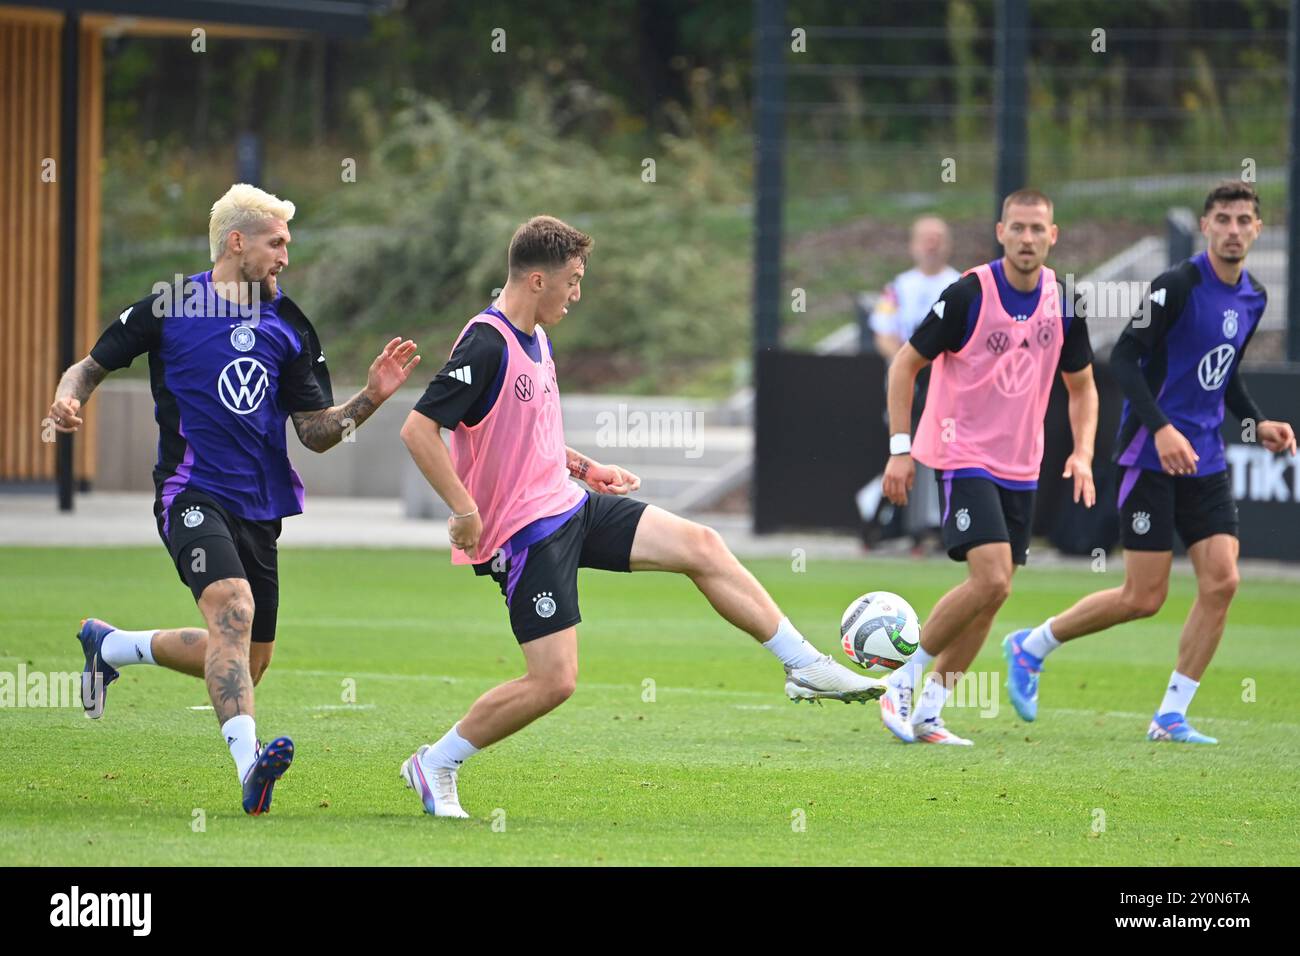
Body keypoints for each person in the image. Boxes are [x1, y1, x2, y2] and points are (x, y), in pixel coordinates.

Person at [398, 215, 884, 817]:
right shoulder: (487, 341)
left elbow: (519, 430)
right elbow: (419, 429)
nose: (578, 294)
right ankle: (435, 763)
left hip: (568, 504)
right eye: (573, 281)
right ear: (538, 280)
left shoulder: (536, 337)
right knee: (554, 682)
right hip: (524, 533)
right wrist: (464, 510)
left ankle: (803, 664)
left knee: (701, 544)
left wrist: (582, 467)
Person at [48, 183, 421, 813]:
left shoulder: (289, 324)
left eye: (288, 244)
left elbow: (317, 434)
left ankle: (112, 647)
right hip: (189, 492)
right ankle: (251, 768)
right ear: (237, 242)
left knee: (247, 656)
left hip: (260, 506)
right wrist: (66, 397)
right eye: (276, 243)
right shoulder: (169, 305)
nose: (285, 256)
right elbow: (90, 364)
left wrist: (373, 398)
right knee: (232, 606)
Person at [1003, 181, 1296, 744]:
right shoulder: (1179, 285)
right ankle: (1032, 644)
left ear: (1257, 230)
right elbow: (1126, 359)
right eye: (1223, 219)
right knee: (1144, 597)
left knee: (1223, 581)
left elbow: (1222, 371)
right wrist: (1160, 430)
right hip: (1149, 454)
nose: (1233, 230)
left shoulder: (1253, 297)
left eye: (1244, 221)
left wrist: (1255, 421)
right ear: (1206, 226)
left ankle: (1170, 715)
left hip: (1205, 458)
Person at [879, 189, 1098, 745]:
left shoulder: (1064, 301)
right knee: (992, 576)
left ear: (1054, 235)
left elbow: (1083, 387)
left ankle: (929, 712)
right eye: (1017, 228)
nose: (1027, 239)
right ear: (1000, 232)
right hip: (962, 452)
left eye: (1037, 229)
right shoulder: (969, 293)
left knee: (995, 593)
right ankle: (900, 682)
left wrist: (1083, 451)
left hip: (1021, 464)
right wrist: (900, 448)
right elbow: (905, 365)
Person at [867, 216, 961, 549]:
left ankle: (938, 526)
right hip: (908, 381)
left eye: (938, 238)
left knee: (939, 454)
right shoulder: (898, 286)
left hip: (944, 385)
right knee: (901, 448)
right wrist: (907, 364)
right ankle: (888, 523)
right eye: (925, 238)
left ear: (948, 244)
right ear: (913, 244)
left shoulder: (961, 285)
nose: (931, 244)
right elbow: (883, 331)